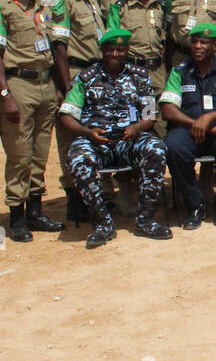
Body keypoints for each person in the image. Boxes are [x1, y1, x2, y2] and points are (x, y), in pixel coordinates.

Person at [58, 28, 172, 247]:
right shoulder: (86, 78)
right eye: (111, 49)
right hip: (95, 141)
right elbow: (66, 115)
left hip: (128, 141)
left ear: (127, 50)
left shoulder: (139, 77)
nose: (116, 54)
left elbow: (150, 115)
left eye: (120, 50)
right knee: (77, 158)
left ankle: (146, 219)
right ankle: (103, 223)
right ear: (103, 50)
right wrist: (86, 132)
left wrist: (137, 127)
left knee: (156, 148)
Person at [0, 0, 65, 241]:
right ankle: (16, 217)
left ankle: (35, 211)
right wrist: (5, 92)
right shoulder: (2, 9)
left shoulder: (43, 6)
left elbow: (55, 48)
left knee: (40, 153)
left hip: (45, 83)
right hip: (19, 84)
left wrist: (57, 84)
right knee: (19, 154)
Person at [160, 22, 216, 229]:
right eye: (194, 42)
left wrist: (210, 118)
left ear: (215, 45)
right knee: (172, 147)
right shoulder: (180, 71)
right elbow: (168, 110)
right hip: (187, 130)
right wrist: (200, 123)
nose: (197, 46)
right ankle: (195, 205)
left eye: (203, 42)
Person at [50, 0, 109, 209]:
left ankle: (96, 194)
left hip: (95, 71)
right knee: (72, 137)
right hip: (75, 72)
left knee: (94, 131)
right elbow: (59, 48)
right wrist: (67, 86)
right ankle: (75, 198)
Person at [105, 0, 168, 95]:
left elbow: (164, 40)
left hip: (158, 72)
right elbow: (112, 45)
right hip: (133, 71)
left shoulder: (159, 6)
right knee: (143, 111)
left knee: (160, 113)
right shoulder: (119, 7)